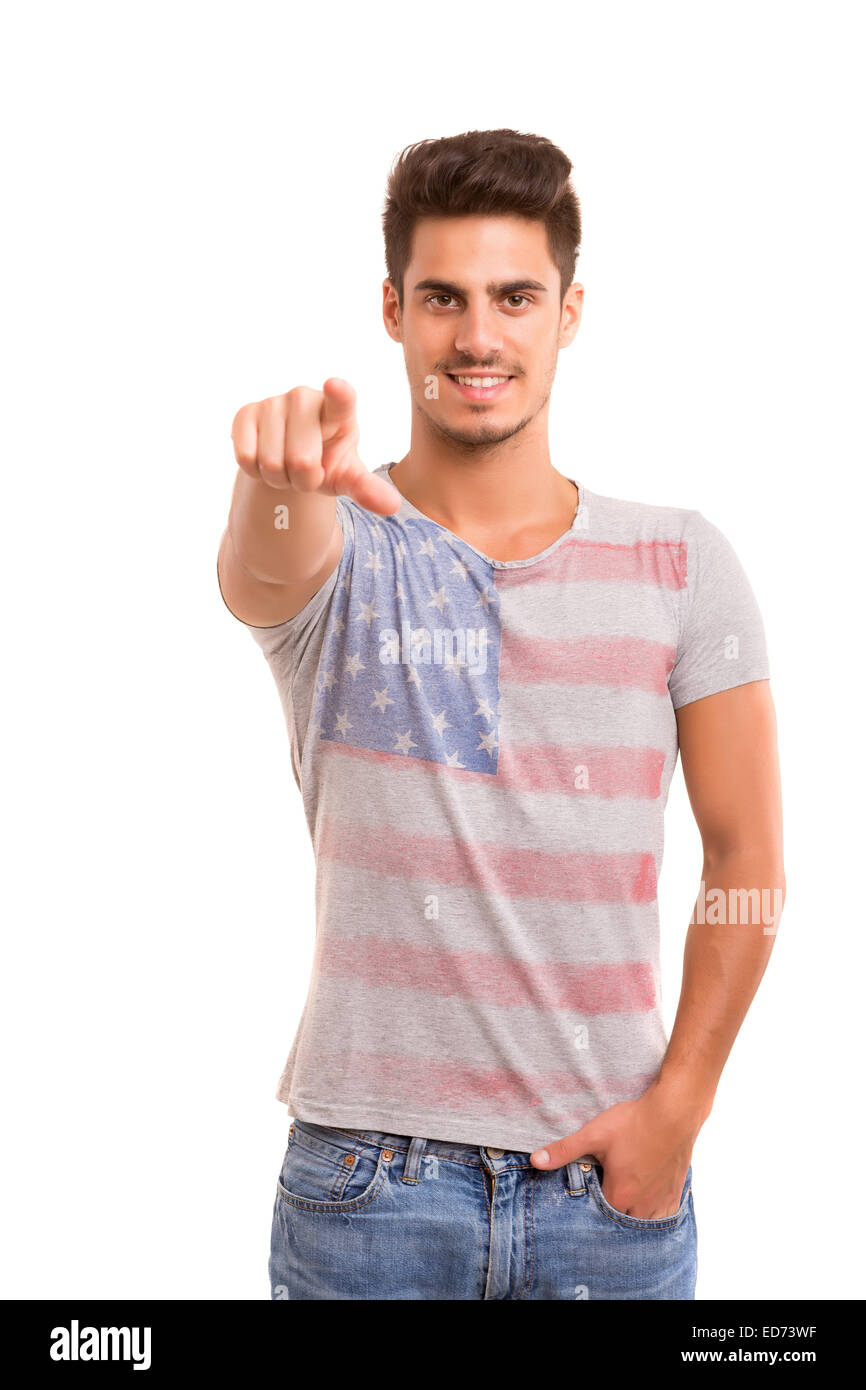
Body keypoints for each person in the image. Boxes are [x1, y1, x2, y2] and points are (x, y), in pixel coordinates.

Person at [217, 129, 784, 1300]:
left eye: (514, 297)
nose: (477, 337)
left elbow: (745, 860)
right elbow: (261, 572)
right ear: (392, 311)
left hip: (605, 1203)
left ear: (568, 312)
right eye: (443, 299)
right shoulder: (343, 550)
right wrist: (272, 482)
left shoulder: (679, 563)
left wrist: (674, 1115)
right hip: (366, 1197)